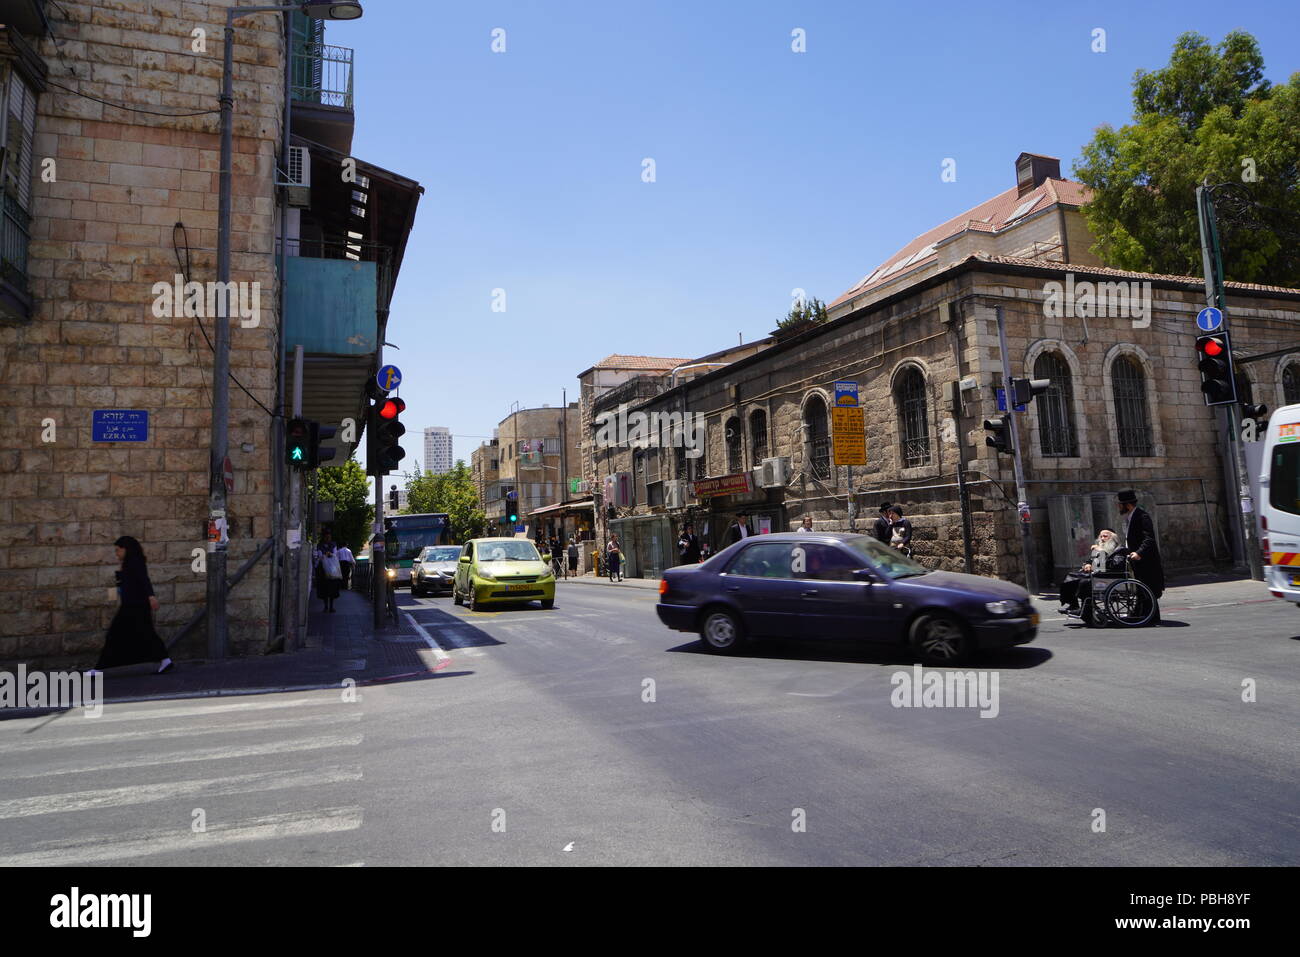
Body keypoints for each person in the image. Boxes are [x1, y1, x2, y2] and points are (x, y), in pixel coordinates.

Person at [92, 536, 172, 675]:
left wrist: (151, 596)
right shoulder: (127, 563)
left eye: (118, 550)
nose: (116, 553)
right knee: (146, 634)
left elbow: (144, 579)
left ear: (126, 549)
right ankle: (165, 660)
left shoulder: (135, 562)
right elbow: (123, 584)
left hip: (135, 605)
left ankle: (98, 669)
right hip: (131, 604)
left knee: (115, 635)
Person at [1118, 489, 1164, 623]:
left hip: (1146, 560)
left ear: (1127, 504)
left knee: (1148, 588)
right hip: (1136, 559)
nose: (1119, 507)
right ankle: (1142, 613)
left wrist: (1139, 552)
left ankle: (1152, 617)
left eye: (1120, 504)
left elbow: (1149, 538)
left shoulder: (1142, 516)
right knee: (1141, 588)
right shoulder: (1131, 517)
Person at [1059, 529, 1123, 613]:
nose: (1102, 538)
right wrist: (1087, 564)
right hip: (1096, 574)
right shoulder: (1099, 549)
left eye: (1105, 536)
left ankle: (1087, 607)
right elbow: (1091, 561)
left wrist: (1102, 552)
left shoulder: (1119, 550)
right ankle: (1073, 604)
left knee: (1084, 582)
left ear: (1113, 538)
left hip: (1108, 576)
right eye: (1101, 536)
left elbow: (1116, 565)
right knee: (1070, 577)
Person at [314, 528, 343, 613]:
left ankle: (331, 606)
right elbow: (319, 555)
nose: (328, 537)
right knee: (324, 589)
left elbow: (335, 555)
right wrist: (325, 556)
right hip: (323, 570)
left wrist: (330, 554)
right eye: (326, 535)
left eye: (329, 535)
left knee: (332, 589)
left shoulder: (333, 544)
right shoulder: (320, 545)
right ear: (324, 536)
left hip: (332, 570)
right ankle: (326, 606)